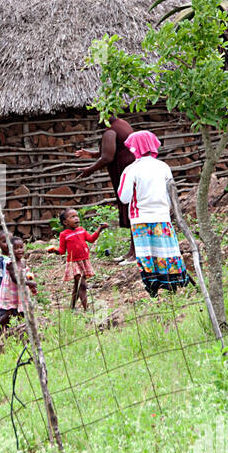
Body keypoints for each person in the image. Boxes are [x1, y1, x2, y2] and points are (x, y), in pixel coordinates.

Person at [116, 130, 193, 297]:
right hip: (162, 216)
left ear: (135, 148)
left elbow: (124, 197)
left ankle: (152, 288)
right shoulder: (163, 167)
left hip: (141, 218)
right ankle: (173, 284)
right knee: (165, 251)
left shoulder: (131, 170)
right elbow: (170, 192)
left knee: (147, 254)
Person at [74, 117, 137, 263]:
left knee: (131, 209)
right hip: (130, 171)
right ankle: (132, 251)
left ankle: (135, 252)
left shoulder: (110, 131)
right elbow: (113, 150)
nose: (97, 120)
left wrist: (89, 170)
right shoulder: (122, 124)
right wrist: (92, 154)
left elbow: (108, 157)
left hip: (124, 172)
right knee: (132, 208)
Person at [50, 207, 107, 311]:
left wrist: (99, 229)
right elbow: (62, 250)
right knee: (83, 285)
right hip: (73, 263)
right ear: (65, 222)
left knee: (77, 286)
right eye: (72, 217)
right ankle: (86, 309)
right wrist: (55, 251)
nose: (76, 218)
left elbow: (91, 239)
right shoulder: (64, 235)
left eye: (76, 216)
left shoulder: (81, 230)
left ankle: (72, 307)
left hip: (84, 261)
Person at [0, 238, 37, 336]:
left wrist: (31, 286)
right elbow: (15, 279)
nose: (20, 250)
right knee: (9, 312)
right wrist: (28, 283)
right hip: (10, 291)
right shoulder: (10, 264)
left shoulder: (23, 262)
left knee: (22, 311)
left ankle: (21, 329)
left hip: (21, 291)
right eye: (16, 248)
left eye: (21, 247)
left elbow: (26, 275)